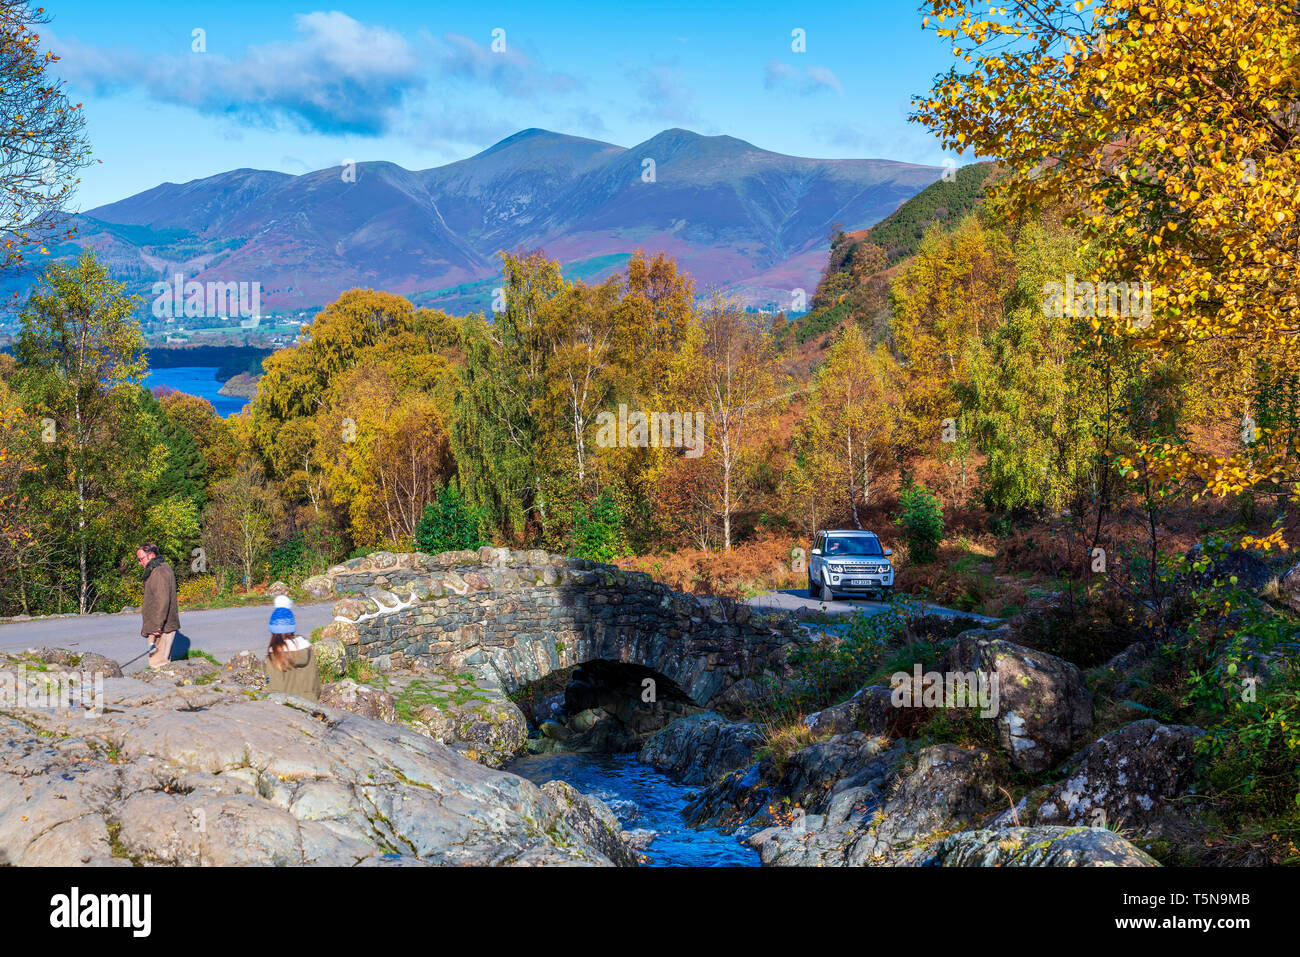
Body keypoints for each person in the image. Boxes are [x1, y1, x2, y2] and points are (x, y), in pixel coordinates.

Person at [262, 596, 320, 702]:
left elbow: (274, 692)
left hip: (288, 712)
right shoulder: (306, 648)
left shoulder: (274, 655)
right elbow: (316, 685)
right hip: (311, 706)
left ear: (273, 631)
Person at [136, 543, 179, 669]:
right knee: (158, 662)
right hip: (158, 625)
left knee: (158, 664)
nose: (139, 563)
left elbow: (163, 600)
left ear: (151, 555)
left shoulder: (159, 572)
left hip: (161, 627)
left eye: (141, 559)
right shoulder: (157, 569)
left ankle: (163, 688)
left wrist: (157, 626)